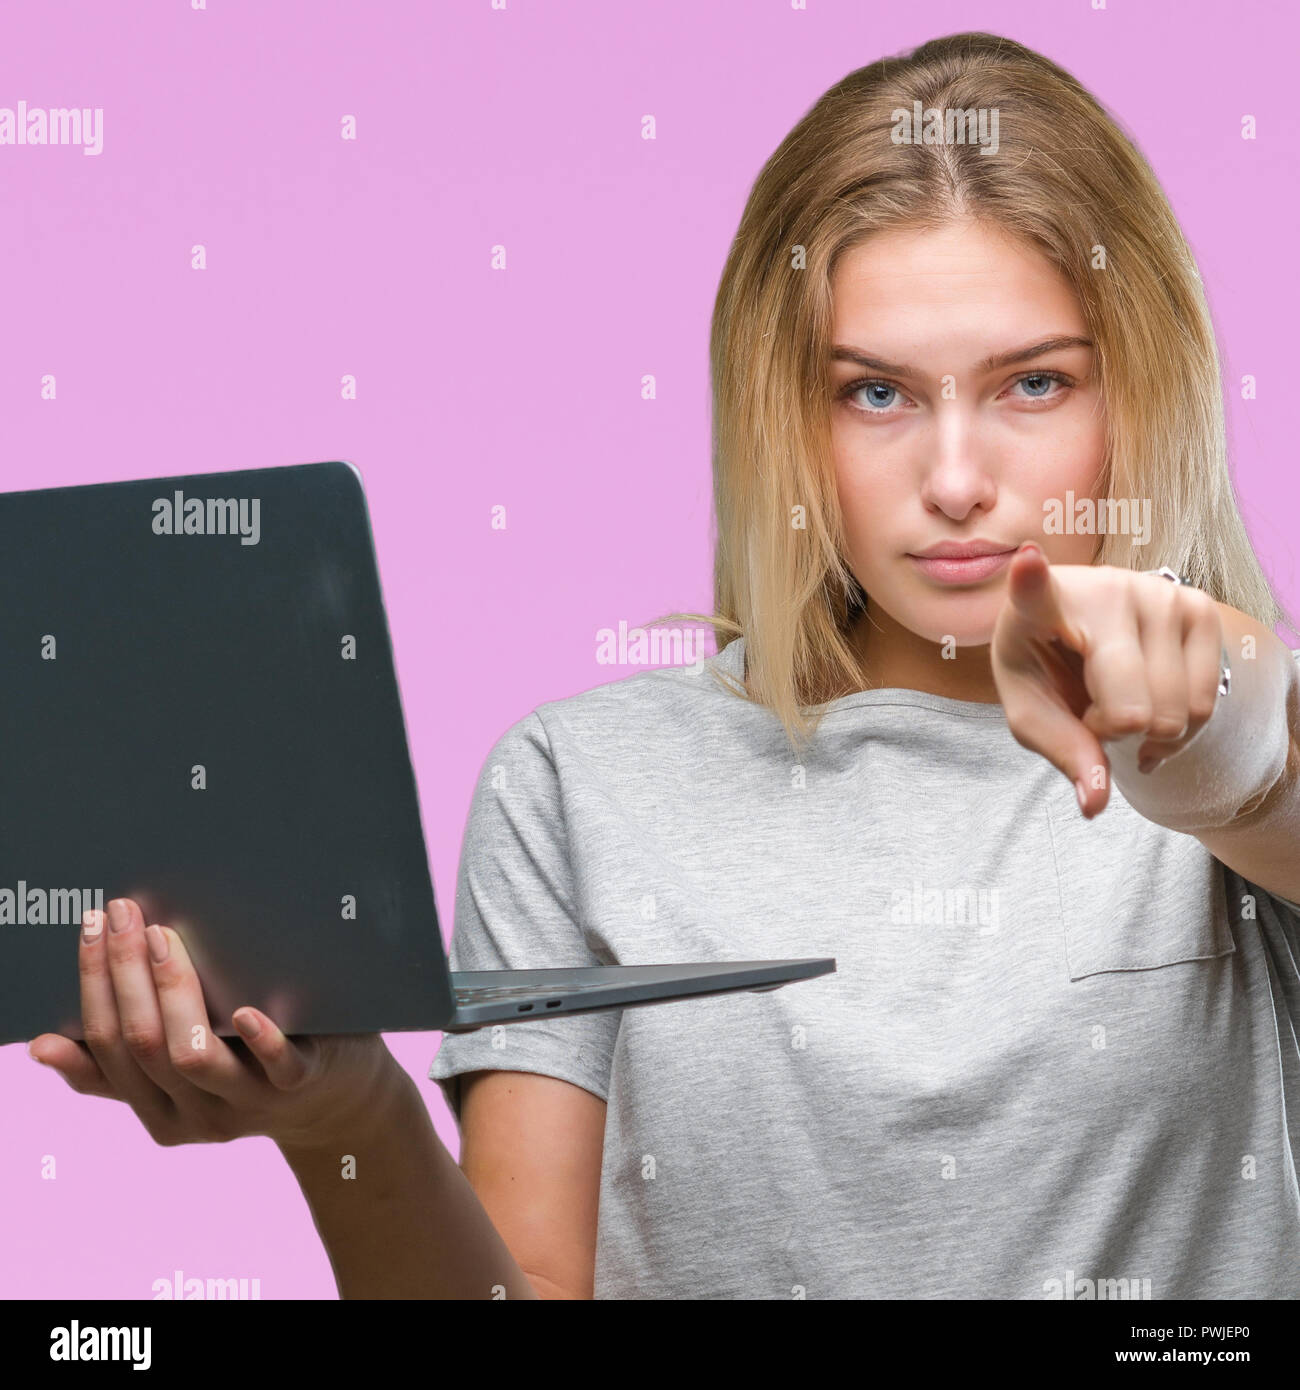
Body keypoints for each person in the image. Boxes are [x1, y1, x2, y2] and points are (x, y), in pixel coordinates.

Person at [26, 31, 1300, 1300]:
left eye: (1032, 384)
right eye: (874, 394)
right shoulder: (580, 781)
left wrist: (1221, 733)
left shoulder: (1234, 763)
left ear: (1138, 389)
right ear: (779, 410)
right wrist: (348, 1123)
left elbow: (1267, 773)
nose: (957, 480)